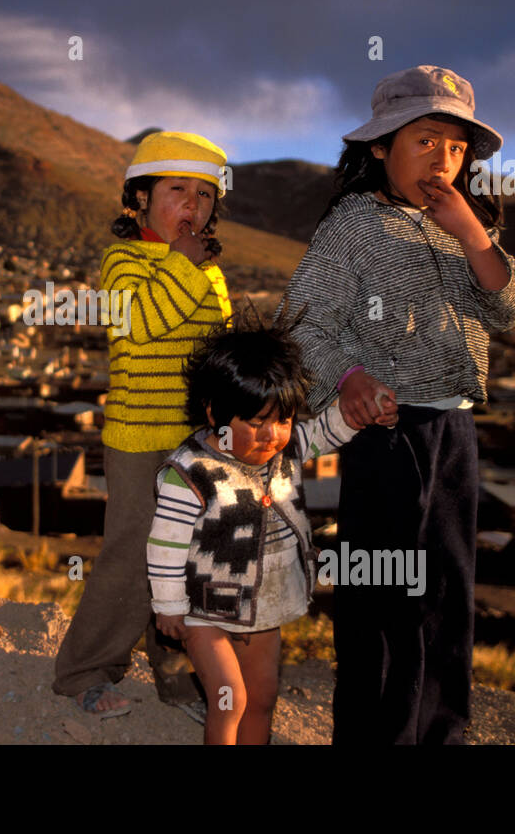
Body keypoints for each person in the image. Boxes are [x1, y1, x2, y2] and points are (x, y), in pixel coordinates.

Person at [276, 64, 515, 744]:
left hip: (453, 430)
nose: (443, 160)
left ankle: (437, 735)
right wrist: (350, 377)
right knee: (385, 595)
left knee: (448, 595)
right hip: (388, 432)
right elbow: (303, 322)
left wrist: (474, 234)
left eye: (456, 147)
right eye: (426, 141)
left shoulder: (464, 227)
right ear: (379, 148)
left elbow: (513, 306)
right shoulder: (353, 227)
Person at [52, 131, 231, 721]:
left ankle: (179, 681)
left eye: (204, 196)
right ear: (140, 199)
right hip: (137, 439)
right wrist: (184, 263)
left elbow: (217, 351)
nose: (192, 206)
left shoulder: (210, 272)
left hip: (194, 443)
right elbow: (139, 323)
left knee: (185, 561)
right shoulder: (122, 261)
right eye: (177, 190)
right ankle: (85, 672)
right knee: (133, 556)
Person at [146, 313, 372, 743]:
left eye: (284, 420)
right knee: (229, 696)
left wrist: (356, 412)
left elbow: (325, 430)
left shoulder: (283, 452)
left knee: (263, 695)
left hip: (265, 604)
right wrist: (168, 606)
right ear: (215, 413)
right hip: (204, 608)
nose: (272, 436)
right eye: (256, 423)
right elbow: (165, 545)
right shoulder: (191, 473)